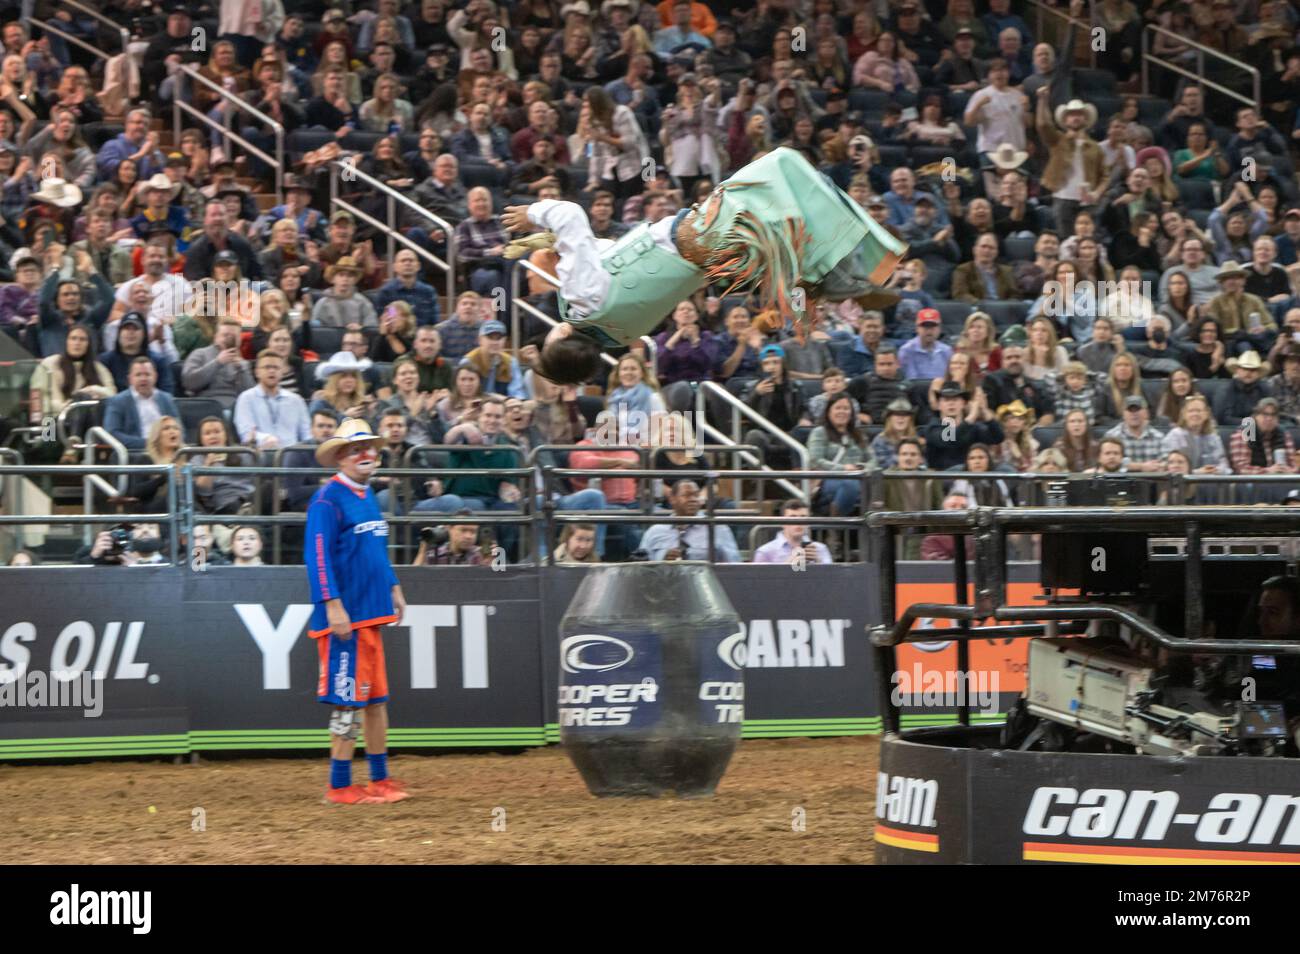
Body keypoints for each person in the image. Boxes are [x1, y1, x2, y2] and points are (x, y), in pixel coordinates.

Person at [498, 147, 907, 384]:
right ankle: (842, 276)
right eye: (550, 341)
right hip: (703, 232)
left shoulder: (617, 332)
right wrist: (534, 213)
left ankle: (829, 277)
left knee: (800, 204)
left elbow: (617, 258)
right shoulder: (580, 300)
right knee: (783, 163)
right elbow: (570, 214)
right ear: (563, 334)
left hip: (717, 256)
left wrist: (563, 248)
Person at [305, 417, 409, 805]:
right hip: (346, 619)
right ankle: (339, 785)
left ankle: (380, 778)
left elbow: (377, 552)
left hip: (370, 615)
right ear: (340, 458)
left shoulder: (367, 499)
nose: (365, 454)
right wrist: (332, 605)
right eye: (355, 449)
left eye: (369, 448)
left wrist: (394, 586)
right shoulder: (327, 500)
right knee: (347, 700)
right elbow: (317, 557)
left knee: (376, 700)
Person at [640, 478, 740, 563]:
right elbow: (641, 567)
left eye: (696, 495)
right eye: (686, 495)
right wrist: (662, 562)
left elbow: (733, 566)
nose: (693, 499)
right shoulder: (655, 531)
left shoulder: (717, 529)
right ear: (672, 499)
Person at [102, 357, 181, 451]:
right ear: (130, 378)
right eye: (138, 375)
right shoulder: (117, 401)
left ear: (155, 377)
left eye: (147, 374)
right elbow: (112, 434)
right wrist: (149, 443)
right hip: (134, 454)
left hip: (166, 452)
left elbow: (179, 428)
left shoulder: (166, 399)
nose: (143, 379)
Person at [181, 316, 254, 411]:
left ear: (240, 340)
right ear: (216, 337)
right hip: (207, 406)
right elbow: (189, 382)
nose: (229, 339)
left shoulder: (243, 364)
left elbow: (251, 394)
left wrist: (241, 370)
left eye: (234, 337)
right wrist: (217, 362)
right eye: (225, 335)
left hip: (237, 408)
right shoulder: (200, 354)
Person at [752, 499, 832, 565]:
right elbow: (758, 583)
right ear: (782, 522)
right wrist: (788, 565)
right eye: (792, 517)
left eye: (803, 517)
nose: (798, 522)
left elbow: (831, 581)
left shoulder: (821, 549)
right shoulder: (765, 552)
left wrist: (818, 562)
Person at [1104, 396, 1167, 472]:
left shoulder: (1159, 437)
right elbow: (1109, 463)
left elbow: (1165, 463)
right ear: (1123, 414)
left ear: (1146, 413)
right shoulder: (1112, 436)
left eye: (1137, 409)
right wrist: (1141, 466)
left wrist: (1160, 466)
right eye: (1130, 410)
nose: (1134, 414)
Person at [415, 510, 488, 566]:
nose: (468, 536)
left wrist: (489, 561)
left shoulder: (480, 556)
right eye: (463, 530)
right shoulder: (435, 555)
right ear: (449, 528)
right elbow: (413, 581)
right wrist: (422, 551)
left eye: (473, 532)